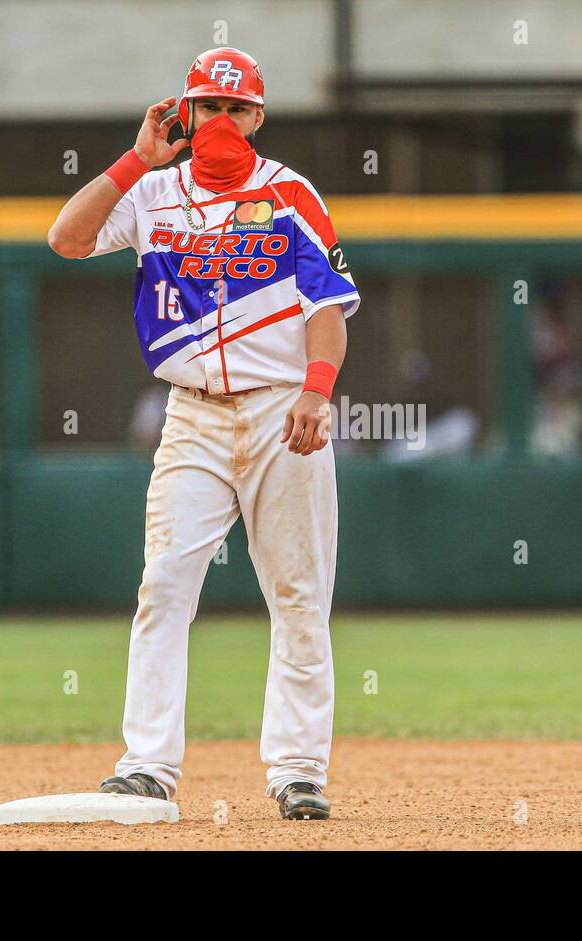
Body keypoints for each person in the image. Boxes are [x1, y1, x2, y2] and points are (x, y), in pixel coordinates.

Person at [47, 46, 359, 820]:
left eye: (235, 108)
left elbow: (326, 304)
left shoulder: (288, 191)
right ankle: (147, 763)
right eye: (207, 107)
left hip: (281, 405)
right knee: (164, 582)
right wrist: (133, 158)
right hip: (192, 414)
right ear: (183, 113)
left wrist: (319, 390)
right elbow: (66, 238)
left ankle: (297, 771)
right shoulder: (152, 193)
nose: (221, 120)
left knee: (297, 593)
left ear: (257, 116)